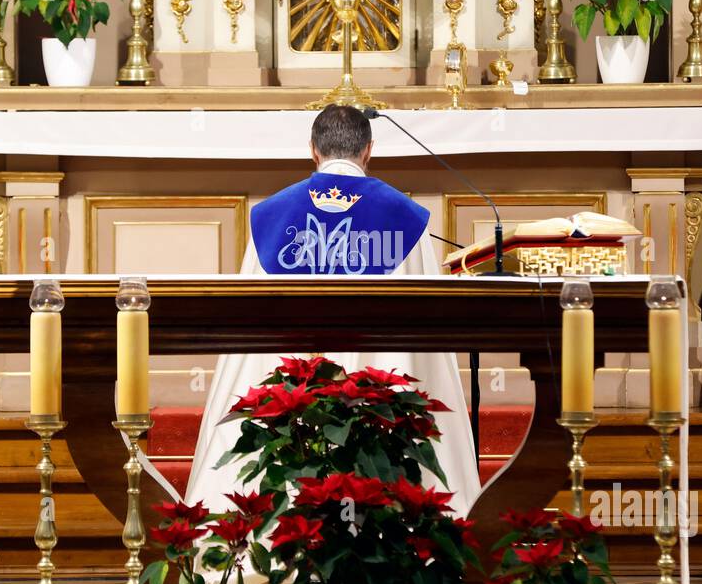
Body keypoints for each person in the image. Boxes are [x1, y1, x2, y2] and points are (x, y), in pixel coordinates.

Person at [184, 105, 480, 516]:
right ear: (369, 150)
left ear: (312, 150)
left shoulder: (271, 216)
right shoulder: (404, 217)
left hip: (290, 394)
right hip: (376, 396)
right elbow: (425, 322)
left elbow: (251, 314)